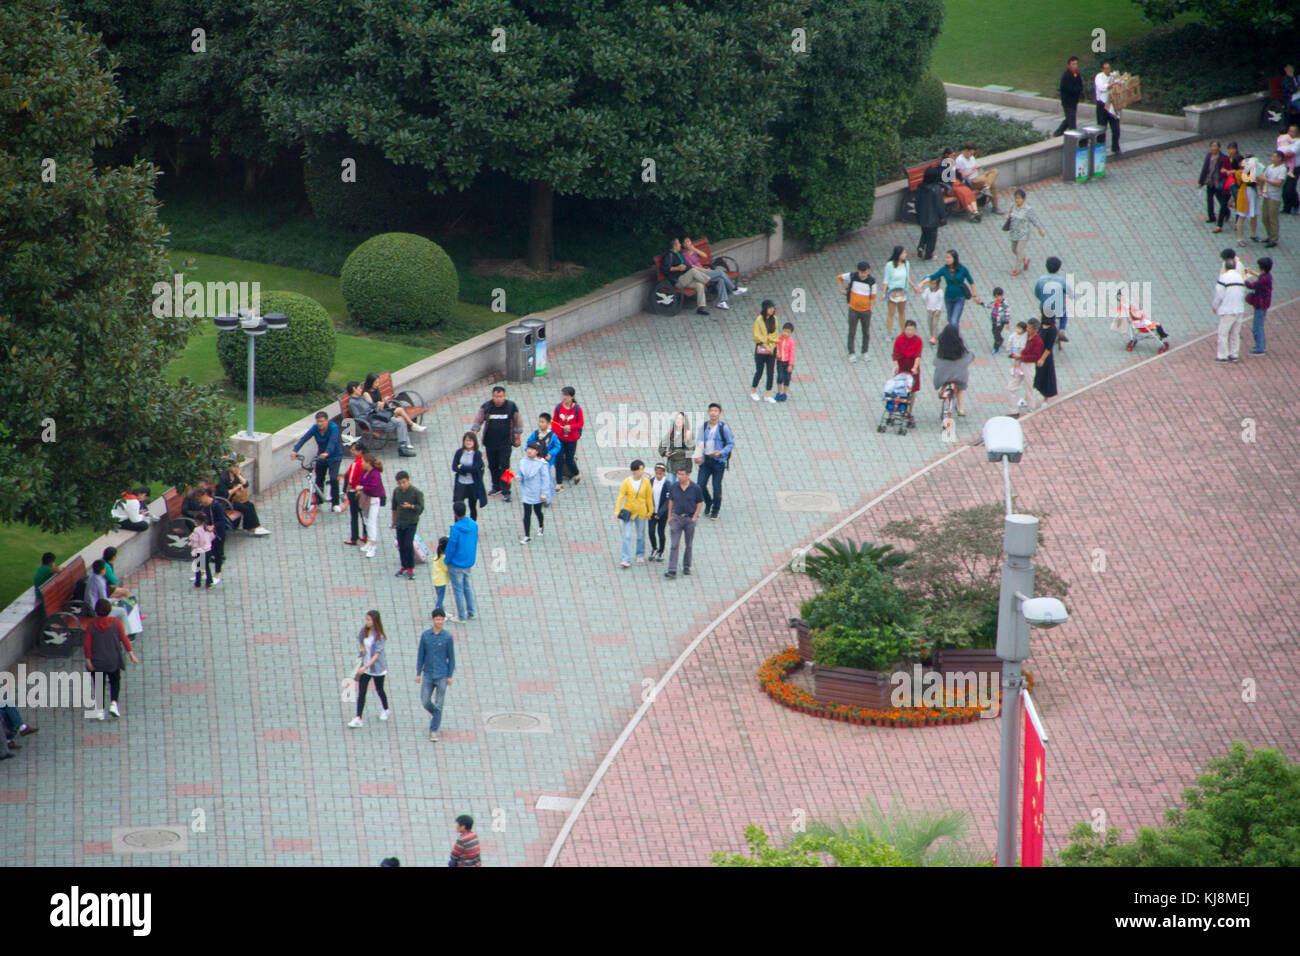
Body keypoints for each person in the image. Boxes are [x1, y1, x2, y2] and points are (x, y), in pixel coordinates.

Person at [84, 599, 138, 720]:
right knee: (115, 681)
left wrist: (88, 660)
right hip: (113, 660)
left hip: (97, 661)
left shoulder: (91, 625)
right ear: (109, 610)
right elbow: (124, 639)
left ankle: (100, 710)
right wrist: (131, 653)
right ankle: (114, 703)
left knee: (99, 683)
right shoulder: (116, 622)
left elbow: (87, 645)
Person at [472, 386, 524, 502]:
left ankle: (506, 491)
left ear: (504, 396)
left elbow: (518, 423)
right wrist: (473, 435)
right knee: (492, 465)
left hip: (506, 443)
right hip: (490, 443)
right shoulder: (487, 407)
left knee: (505, 466)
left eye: (501, 396)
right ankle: (496, 486)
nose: (498, 399)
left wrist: (517, 438)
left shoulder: (511, 406)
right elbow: (478, 420)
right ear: (493, 396)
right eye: (496, 396)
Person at [346, 381, 416, 459]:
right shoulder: (352, 403)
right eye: (359, 388)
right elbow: (359, 417)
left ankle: (403, 447)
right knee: (399, 423)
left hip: (378, 417)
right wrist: (372, 412)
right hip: (372, 422)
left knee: (400, 421)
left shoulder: (361, 398)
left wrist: (378, 404)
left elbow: (371, 405)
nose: (361, 389)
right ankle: (403, 447)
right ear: (354, 389)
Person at [415, 608, 455, 743]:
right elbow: (421, 654)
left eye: (442, 619)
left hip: (442, 675)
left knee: (439, 703)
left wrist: (450, 675)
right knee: (425, 700)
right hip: (428, 674)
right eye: (437, 619)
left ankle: (433, 730)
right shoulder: (426, 636)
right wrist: (418, 672)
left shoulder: (448, 637)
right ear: (433, 620)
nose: (440, 622)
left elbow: (451, 658)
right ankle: (437, 715)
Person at [291, 411, 345, 509]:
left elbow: (332, 442)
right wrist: (295, 450)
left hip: (334, 456)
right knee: (319, 478)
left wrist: (327, 452)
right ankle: (318, 501)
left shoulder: (333, 428)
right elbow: (304, 438)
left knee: (333, 478)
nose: (319, 424)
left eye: (322, 421)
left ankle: (335, 503)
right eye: (318, 422)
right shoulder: (315, 428)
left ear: (327, 421)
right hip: (321, 456)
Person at [348, 610, 390, 728]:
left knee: (379, 689)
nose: (366, 622)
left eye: (368, 620)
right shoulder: (364, 630)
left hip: (376, 668)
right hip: (365, 667)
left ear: (375, 621)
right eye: (366, 619)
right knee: (362, 692)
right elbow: (360, 639)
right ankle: (358, 717)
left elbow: (377, 655)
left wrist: (366, 666)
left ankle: (385, 709)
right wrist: (363, 649)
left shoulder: (379, 636)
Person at [663, 465, 705, 579]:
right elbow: (671, 501)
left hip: (689, 519)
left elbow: (700, 502)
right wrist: (669, 517)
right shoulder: (674, 487)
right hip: (676, 518)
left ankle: (686, 566)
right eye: (678, 474)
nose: (679, 477)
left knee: (689, 544)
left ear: (688, 475)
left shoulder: (695, 488)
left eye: (682, 474)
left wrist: (694, 517)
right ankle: (672, 569)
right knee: (674, 544)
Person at [683, 236, 747, 309]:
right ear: (684, 245)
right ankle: (734, 289)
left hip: (704, 271)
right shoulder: (685, 255)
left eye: (689, 241)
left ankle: (722, 302)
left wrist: (694, 249)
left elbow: (705, 256)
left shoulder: (694, 251)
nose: (688, 243)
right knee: (720, 272)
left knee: (720, 279)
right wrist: (706, 270)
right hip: (698, 274)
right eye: (686, 242)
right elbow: (693, 268)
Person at [694, 404, 734, 520]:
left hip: (718, 462)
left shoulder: (724, 428)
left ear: (719, 413)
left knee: (716, 487)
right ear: (708, 412)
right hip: (706, 460)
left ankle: (715, 510)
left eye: (715, 411)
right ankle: (708, 502)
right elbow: (699, 440)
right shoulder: (704, 426)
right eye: (711, 410)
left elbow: (731, 444)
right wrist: (698, 453)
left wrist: (721, 452)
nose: (713, 413)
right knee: (700, 485)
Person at [926, 250, 981, 329]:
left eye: (949, 257)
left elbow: (971, 281)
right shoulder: (944, 269)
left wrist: (975, 295)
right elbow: (933, 276)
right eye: (946, 257)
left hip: (960, 297)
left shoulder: (962, 269)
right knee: (950, 319)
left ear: (954, 258)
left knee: (954, 320)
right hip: (948, 297)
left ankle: (954, 339)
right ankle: (955, 336)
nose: (947, 259)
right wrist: (921, 283)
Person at [615, 459, 654, 568]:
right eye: (640, 469)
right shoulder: (627, 482)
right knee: (627, 535)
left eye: (642, 469)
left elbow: (649, 498)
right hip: (629, 511)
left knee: (640, 535)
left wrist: (650, 511)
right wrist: (617, 511)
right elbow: (621, 496)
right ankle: (625, 558)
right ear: (634, 470)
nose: (642, 471)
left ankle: (640, 554)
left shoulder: (646, 482)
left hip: (641, 512)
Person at [1212, 248, 1248, 363]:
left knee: (1223, 334)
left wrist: (1215, 306)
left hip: (1228, 309)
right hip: (1239, 308)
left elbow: (1219, 294)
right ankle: (1234, 354)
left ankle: (1222, 356)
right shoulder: (1239, 277)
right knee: (1235, 333)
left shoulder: (1224, 278)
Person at [215, 461, 269, 536]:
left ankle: (255, 526)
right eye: (235, 467)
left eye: (238, 467)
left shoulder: (236, 475)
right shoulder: (224, 478)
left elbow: (246, 484)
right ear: (229, 467)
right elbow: (225, 493)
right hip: (228, 501)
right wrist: (236, 488)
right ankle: (251, 527)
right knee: (245, 508)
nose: (237, 469)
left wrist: (239, 476)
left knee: (250, 505)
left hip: (237, 499)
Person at [932, 323, 975, 416]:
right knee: (959, 389)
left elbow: (936, 360)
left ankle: (942, 390)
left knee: (945, 380)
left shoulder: (942, 344)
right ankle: (960, 409)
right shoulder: (959, 344)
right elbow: (968, 356)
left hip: (943, 374)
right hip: (959, 375)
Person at [836, 263, 876, 363]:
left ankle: (865, 352)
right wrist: (841, 289)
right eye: (862, 272)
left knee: (866, 332)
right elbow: (840, 277)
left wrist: (870, 308)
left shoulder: (872, 281)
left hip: (866, 311)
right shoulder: (852, 276)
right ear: (858, 271)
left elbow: (873, 296)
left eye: (866, 272)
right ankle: (851, 352)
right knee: (852, 331)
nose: (864, 275)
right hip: (853, 309)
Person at [445, 501, 478, 623]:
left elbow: (451, 547)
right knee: (467, 586)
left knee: (458, 589)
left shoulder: (456, 529)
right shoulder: (474, 525)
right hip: (468, 561)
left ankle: (461, 616)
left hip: (456, 563)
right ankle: (471, 612)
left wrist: (446, 560)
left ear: (455, 513)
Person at [361, 372, 427, 433]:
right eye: (376, 383)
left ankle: (412, 427)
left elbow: (380, 402)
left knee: (400, 413)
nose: (377, 384)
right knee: (400, 415)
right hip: (378, 415)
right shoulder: (366, 394)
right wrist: (383, 402)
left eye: (378, 382)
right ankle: (412, 428)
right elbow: (373, 408)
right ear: (370, 382)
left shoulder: (376, 389)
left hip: (384, 411)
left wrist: (385, 401)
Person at [662, 237, 711, 315]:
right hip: (677, 281)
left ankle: (700, 308)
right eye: (678, 243)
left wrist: (685, 267)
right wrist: (677, 268)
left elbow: (686, 266)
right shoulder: (669, 256)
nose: (680, 245)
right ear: (674, 246)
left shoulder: (678, 254)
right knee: (693, 271)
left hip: (684, 279)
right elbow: (665, 269)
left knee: (699, 285)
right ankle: (709, 281)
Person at [390, 470, 424, 579]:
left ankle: (410, 567)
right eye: (399, 483)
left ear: (408, 481)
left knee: (408, 544)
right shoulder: (397, 492)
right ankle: (403, 565)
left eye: (404, 482)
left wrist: (411, 506)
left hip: (411, 522)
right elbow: (394, 507)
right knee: (401, 544)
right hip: (400, 521)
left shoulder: (416, 492)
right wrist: (393, 521)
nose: (402, 485)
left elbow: (420, 508)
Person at [1033, 256, 1073, 344]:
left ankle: (1042, 333)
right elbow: (1071, 293)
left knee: (1043, 318)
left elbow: (1036, 293)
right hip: (1058, 308)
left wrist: (1042, 298)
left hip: (1045, 308)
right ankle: (1061, 331)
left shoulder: (1041, 280)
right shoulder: (1061, 281)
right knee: (1063, 315)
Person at [1004, 189, 1045, 276]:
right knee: (1014, 249)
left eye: (1019, 198)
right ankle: (1025, 259)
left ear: (1023, 199)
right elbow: (1010, 214)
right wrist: (1008, 216)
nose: (1017, 200)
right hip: (1013, 231)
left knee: (1019, 250)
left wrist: (1039, 229)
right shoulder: (1013, 206)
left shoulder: (1028, 209)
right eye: (1016, 198)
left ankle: (1016, 269)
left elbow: (1034, 220)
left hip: (1023, 233)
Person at [517, 442, 549, 544]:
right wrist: (519, 477)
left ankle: (541, 525)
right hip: (526, 491)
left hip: (537, 492)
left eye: (532, 449)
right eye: (528, 448)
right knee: (527, 514)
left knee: (537, 511)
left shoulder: (541, 464)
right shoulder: (523, 461)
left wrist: (544, 494)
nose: (529, 451)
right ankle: (527, 535)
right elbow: (521, 473)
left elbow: (545, 480)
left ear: (537, 451)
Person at [451, 432, 488, 521]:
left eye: (471, 441)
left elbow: (475, 468)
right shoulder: (459, 452)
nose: (468, 443)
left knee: (472, 506)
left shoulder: (477, 454)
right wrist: (465, 470)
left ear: (474, 442)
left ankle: (472, 526)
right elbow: (454, 467)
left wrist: (462, 467)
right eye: (467, 440)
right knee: (458, 506)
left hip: (472, 484)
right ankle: (457, 526)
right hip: (461, 483)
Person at [552, 386, 584, 490]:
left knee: (570, 459)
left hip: (571, 439)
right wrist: (557, 428)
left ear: (572, 396)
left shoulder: (577, 409)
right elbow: (554, 421)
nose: (564, 397)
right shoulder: (558, 407)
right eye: (563, 395)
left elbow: (581, 423)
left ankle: (576, 473)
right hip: (559, 438)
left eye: (567, 395)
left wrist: (570, 427)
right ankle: (559, 483)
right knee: (559, 459)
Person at [955, 144, 1000, 213]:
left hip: (978, 176)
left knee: (995, 170)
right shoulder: (959, 160)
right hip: (971, 180)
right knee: (993, 184)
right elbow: (962, 176)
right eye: (971, 153)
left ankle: (986, 186)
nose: (971, 155)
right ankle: (995, 207)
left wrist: (977, 168)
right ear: (966, 151)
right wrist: (972, 171)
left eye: (973, 153)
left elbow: (974, 167)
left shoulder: (972, 157)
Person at [357, 453, 386, 559]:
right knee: (366, 520)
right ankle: (369, 541)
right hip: (365, 499)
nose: (362, 463)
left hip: (373, 499)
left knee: (371, 522)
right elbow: (361, 481)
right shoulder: (365, 472)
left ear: (368, 463)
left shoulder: (375, 474)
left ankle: (373, 545)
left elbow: (373, 487)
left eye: (363, 461)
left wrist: (362, 488)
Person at [525, 413, 560, 498]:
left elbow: (557, 447)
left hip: (546, 461)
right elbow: (528, 442)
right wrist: (528, 451)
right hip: (536, 459)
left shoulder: (553, 435)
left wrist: (551, 454)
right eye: (539, 421)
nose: (540, 424)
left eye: (542, 422)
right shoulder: (536, 433)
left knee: (546, 478)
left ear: (548, 423)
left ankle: (547, 496)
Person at [750, 300, 780, 402]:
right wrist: (765, 345)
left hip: (772, 349)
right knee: (759, 370)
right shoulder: (759, 320)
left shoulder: (774, 319)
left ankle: (768, 394)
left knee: (770, 371)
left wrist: (771, 347)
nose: (772, 310)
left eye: (773, 308)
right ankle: (753, 391)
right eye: (770, 308)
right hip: (761, 349)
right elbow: (756, 335)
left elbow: (775, 334)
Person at [915, 162, 946, 259]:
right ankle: (928, 255)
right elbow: (939, 205)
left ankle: (921, 246)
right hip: (933, 218)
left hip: (922, 216)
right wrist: (942, 217)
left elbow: (917, 202)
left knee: (924, 232)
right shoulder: (936, 189)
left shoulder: (920, 187)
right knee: (932, 237)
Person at [940, 148, 981, 220]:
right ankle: (973, 212)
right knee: (963, 195)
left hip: (958, 183)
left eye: (954, 155)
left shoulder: (953, 163)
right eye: (952, 155)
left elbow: (959, 175)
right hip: (951, 186)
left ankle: (976, 212)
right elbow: (945, 179)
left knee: (969, 193)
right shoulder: (943, 165)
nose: (954, 157)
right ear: (946, 155)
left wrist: (959, 172)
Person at [1244, 257, 1274, 356]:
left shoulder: (1264, 279)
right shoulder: (1267, 276)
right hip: (1264, 303)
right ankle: (1261, 345)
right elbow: (1260, 277)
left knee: (1257, 326)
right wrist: (1252, 272)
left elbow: (1252, 285)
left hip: (1260, 304)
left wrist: (1244, 278)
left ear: (1262, 268)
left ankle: (1260, 348)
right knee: (1259, 325)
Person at [1199, 141, 1231, 227]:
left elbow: (1226, 170)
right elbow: (1205, 169)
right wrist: (1201, 181)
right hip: (1210, 181)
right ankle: (1211, 216)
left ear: (1219, 148)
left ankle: (1226, 212)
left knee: (1220, 199)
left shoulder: (1223, 158)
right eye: (1212, 146)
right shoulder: (1208, 156)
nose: (1213, 148)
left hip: (1218, 182)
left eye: (1215, 146)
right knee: (1209, 200)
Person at [1015, 318, 1045, 412]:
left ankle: (1031, 408)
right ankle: (1013, 408)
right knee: (1012, 385)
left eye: (1029, 328)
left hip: (1029, 365)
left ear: (1035, 330)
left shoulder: (1038, 341)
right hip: (1021, 363)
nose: (1027, 329)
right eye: (1027, 327)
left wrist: (1022, 357)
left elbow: (1035, 357)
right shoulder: (1026, 337)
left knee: (1029, 387)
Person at [892, 320, 923, 409]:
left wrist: (915, 367)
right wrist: (896, 365)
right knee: (900, 388)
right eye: (908, 330)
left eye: (912, 330)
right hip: (902, 366)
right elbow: (895, 355)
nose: (910, 332)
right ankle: (900, 408)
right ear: (904, 329)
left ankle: (910, 410)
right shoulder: (899, 339)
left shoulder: (918, 340)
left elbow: (918, 355)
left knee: (913, 390)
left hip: (912, 367)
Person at [343, 441, 368, 546]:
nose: (351, 451)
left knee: (354, 515)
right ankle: (366, 536)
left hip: (354, 492)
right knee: (364, 515)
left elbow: (351, 479)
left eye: (353, 450)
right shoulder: (367, 461)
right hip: (365, 492)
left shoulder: (355, 463)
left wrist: (346, 490)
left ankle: (354, 538)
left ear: (360, 451)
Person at [1213, 142, 1243, 233]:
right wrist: (1227, 172)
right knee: (1223, 204)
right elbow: (1221, 170)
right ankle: (1219, 225)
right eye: (1229, 149)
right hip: (1227, 183)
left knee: (1238, 204)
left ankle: (1238, 223)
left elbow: (1241, 169)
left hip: (1237, 183)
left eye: (1233, 149)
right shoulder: (1225, 159)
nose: (1231, 151)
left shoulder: (1239, 158)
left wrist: (1232, 172)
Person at [1233, 153, 1262, 246]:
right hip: (1244, 194)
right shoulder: (1238, 172)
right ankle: (1239, 238)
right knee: (1242, 217)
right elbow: (1249, 179)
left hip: (1252, 193)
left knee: (1254, 215)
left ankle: (1253, 234)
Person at [658, 411, 696, 479]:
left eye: (681, 419)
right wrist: (665, 453)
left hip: (683, 468)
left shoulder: (688, 434)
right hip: (671, 467)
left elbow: (691, 451)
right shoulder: (671, 432)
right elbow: (661, 446)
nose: (678, 421)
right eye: (677, 418)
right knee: (671, 487)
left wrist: (678, 452)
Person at [882, 247, 911, 335]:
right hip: (892, 291)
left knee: (902, 312)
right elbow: (886, 279)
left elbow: (908, 277)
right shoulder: (890, 265)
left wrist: (914, 286)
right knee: (891, 312)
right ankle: (889, 332)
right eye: (903, 253)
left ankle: (903, 332)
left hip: (903, 291)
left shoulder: (906, 264)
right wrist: (883, 293)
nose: (905, 255)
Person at [1260, 150, 1286, 246]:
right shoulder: (1270, 167)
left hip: (1275, 197)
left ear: (1279, 158)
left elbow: (1279, 183)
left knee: (1273, 218)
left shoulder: (1282, 169)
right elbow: (1263, 176)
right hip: (1267, 194)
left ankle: (1274, 239)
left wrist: (1266, 180)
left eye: (1274, 157)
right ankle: (1270, 235)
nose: (1272, 158)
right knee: (1265, 217)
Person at [1094, 61, 1121, 153]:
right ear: (1102, 69)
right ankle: (1100, 149)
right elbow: (1101, 87)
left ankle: (1115, 147)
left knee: (1116, 129)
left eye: (1109, 68)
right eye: (1105, 68)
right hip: (1102, 105)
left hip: (1113, 105)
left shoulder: (1113, 76)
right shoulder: (1099, 77)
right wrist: (1111, 85)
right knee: (1102, 129)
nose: (1107, 70)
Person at [1054, 56, 1084, 135]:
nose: (1075, 66)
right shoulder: (1066, 76)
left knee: (1069, 119)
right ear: (1069, 65)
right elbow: (1068, 89)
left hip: (1074, 102)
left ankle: (1058, 133)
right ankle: (1073, 137)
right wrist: (1077, 90)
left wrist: (1079, 90)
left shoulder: (1077, 74)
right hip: (1067, 102)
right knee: (1072, 122)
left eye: (1076, 64)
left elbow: (1080, 85)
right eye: (1073, 64)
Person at [647, 462, 671, 561]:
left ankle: (661, 551)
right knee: (651, 531)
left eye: (660, 474)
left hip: (662, 514)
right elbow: (647, 497)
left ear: (664, 473)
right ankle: (654, 548)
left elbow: (668, 501)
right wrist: (648, 511)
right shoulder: (651, 482)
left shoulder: (667, 484)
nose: (658, 476)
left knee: (661, 532)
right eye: (657, 473)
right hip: (652, 512)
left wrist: (660, 513)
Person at [1004, 321, 1029, 412]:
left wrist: (1021, 350)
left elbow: (1023, 345)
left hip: (1019, 350)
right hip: (1015, 348)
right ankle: (1015, 369)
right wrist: (1008, 348)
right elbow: (1010, 341)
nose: (1017, 330)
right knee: (1015, 360)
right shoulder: (1013, 335)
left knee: (1018, 360)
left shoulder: (1024, 337)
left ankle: (1017, 370)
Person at [1034, 315, 1059, 404]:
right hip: (1037, 354)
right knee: (1034, 376)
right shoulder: (1041, 326)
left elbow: (1049, 347)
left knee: (1045, 377)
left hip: (1045, 357)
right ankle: (1026, 398)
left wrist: (1042, 359)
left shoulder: (1052, 329)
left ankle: (1045, 399)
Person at [916, 275, 945, 345]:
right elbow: (923, 298)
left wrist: (938, 309)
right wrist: (921, 292)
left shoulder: (940, 291)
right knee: (930, 323)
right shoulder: (927, 290)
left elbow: (940, 301)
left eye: (934, 283)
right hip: (929, 310)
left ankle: (934, 337)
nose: (932, 285)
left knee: (935, 323)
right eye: (931, 283)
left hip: (936, 310)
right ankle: (932, 335)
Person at [1277, 124, 1299, 214]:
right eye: (1289, 131)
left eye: (1293, 131)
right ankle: (1287, 207)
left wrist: (1279, 156)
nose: (1290, 133)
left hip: (1294, 167)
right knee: (1285, 187)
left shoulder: (1298, 142)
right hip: (1285, 166)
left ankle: (1295, 203)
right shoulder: (1286, 140)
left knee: (1290, 187)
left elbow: (1290, 153)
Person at [188, 517, 214, 589]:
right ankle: (209, 582)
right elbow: (212, 537)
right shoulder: (208, 528)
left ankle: (198, 582)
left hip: (200, 550)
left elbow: (196, 541)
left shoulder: (197, 530)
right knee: (206, 566)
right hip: (208, 549)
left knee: (198, 567)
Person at [774, 322, 796, 403]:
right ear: (782, 330)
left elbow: (792, 354)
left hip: (787, 363)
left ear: (790, 333)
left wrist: (790, 365)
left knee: (787, 378)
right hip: (780, 361)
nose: (786, 333)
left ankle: (785, 393)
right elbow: (775, 347)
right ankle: (779, 392)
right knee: (780, 377)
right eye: (785, 331)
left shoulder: (791, 342)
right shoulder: (778, 339)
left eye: (788, 332)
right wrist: (777, 353)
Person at [430, 536, 450, 611]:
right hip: (441, 582)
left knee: (439, 596)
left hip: (436, 580)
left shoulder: (438, 555)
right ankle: (439, 611)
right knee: (440, 598)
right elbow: (445, 569)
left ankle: (442, 610)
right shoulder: (444, 558)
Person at [989, 286, 1010, 354]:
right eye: (996, 297)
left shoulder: (1004, 304)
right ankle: (1000, 340)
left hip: (1000, 322)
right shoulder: (994, 302)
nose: (998, 298)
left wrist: (1007, 322)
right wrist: (981, 303)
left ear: (1002, 295)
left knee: (996, 334)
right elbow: (988, 305)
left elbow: (1007, 313)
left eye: (999, 296)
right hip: (994, 321)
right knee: (994, 331)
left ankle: (996, 348)